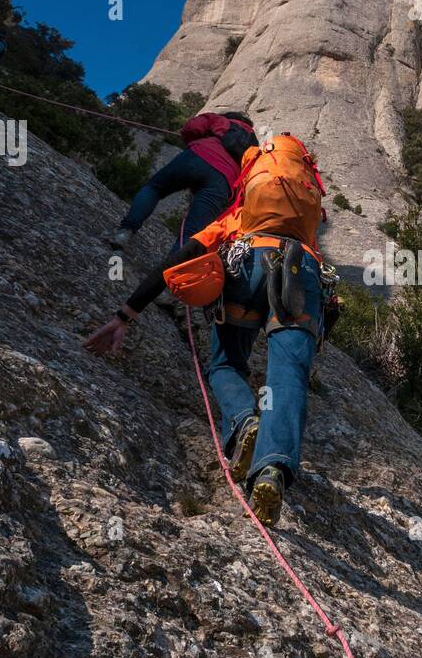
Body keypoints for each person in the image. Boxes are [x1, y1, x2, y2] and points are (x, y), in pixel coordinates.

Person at [86, 133, 337, 528]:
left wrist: (124, 316)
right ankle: (271, 470)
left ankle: (243, 421)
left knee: (226, 366)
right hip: (300, 272)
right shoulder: (307, 227)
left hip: (247, 263)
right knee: (288, 378)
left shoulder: (238, 216)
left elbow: (178, 260)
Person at [112, 110, 258, 251]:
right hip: (223, 180)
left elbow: (191, 127)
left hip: (198, 155)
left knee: (154, 189)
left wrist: (196, 140)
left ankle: (124, 233)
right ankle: (170, 272)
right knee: (193, 230)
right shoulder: (253, 144)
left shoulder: (220, 120)